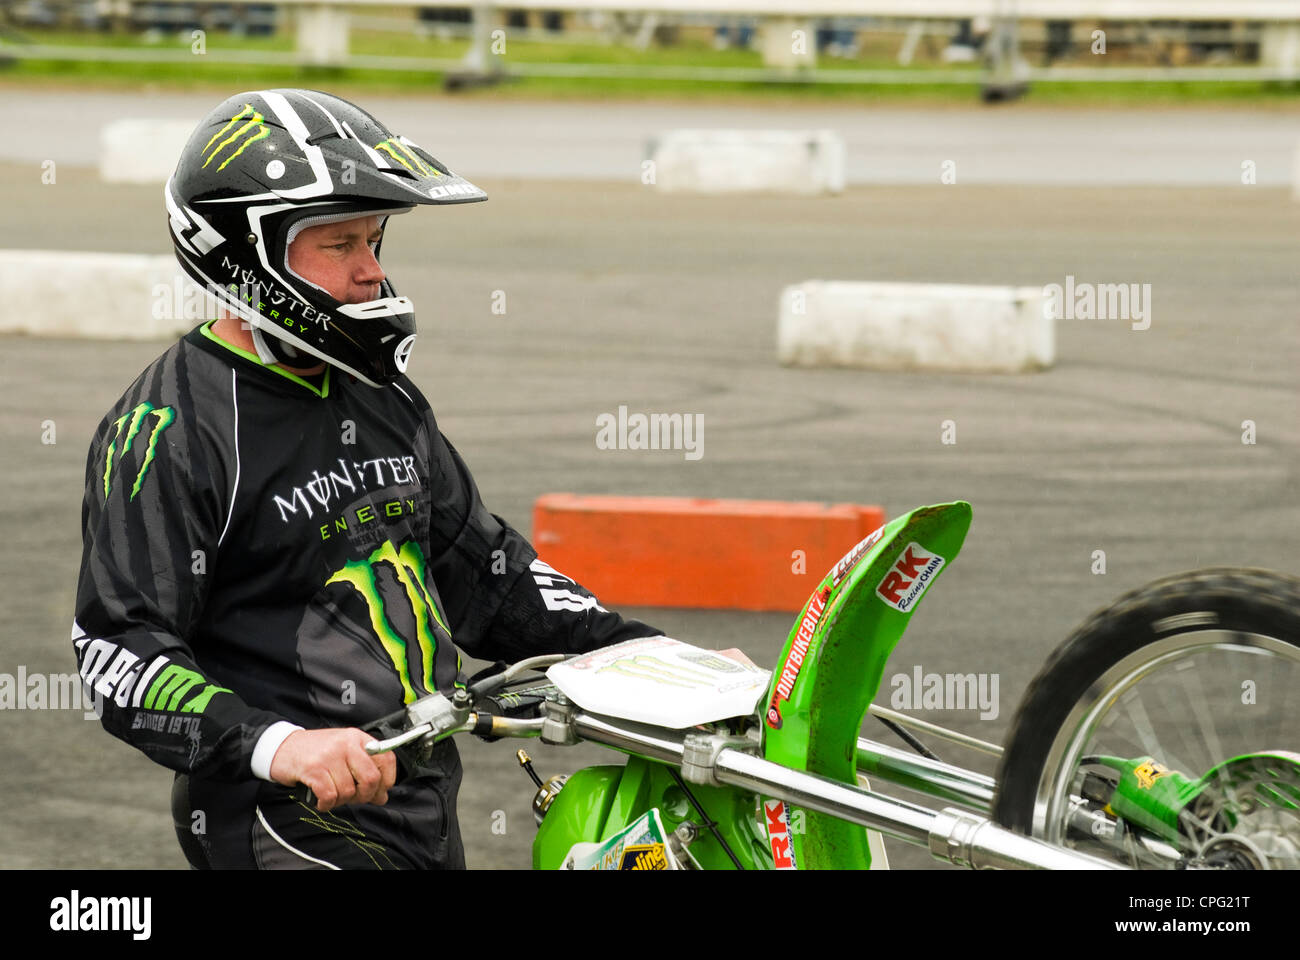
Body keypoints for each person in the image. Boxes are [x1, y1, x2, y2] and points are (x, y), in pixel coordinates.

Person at [73, 88, 662, 869]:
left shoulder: (383, 396)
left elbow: (488, 572)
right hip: (284, 818)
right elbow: (119, 645)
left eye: (374, 240)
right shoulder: (171, 429)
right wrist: (277, 746)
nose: (369, 272)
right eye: (339, 244)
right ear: (247, 253)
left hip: (419, 796)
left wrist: (656, 661)